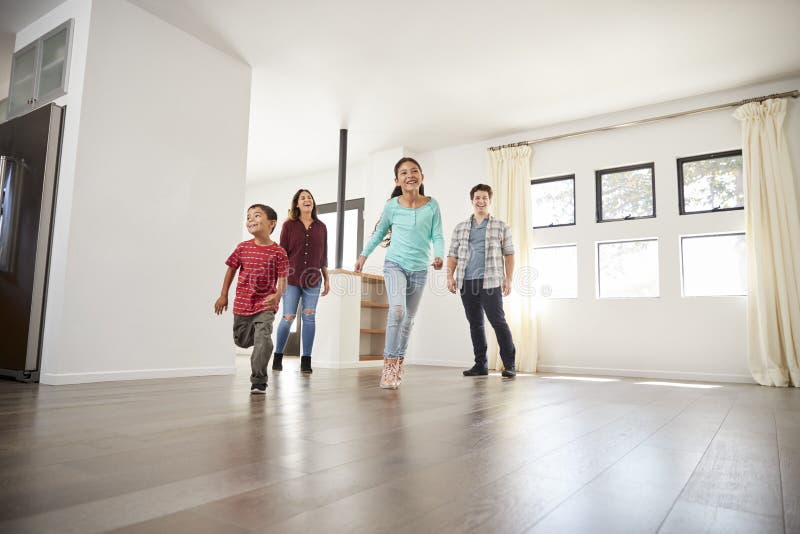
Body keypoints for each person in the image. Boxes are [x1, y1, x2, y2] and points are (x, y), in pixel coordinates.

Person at [355, 157, 445, 389]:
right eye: (404, 173)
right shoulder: (392, 206)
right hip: (395, 264)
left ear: (422, 177)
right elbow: (378, 233)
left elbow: (437, 235)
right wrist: (363, 256)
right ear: (397, 180)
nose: (409, 175)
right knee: (397, 311)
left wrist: (439, 254)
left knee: (408, 320)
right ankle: (388, 367)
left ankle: (398, 364)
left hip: (420, 269)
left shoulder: (432, 205)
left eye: (414, 171)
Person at [214, 204, 288, 394]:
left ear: (272, 223)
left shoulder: (278, 252)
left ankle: (259, 380)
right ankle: (258, 341)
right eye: (248, 217)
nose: (251, 220)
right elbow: (231, 269)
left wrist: (277, 295)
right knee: (242, 341)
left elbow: (282, 279)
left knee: (263, 339)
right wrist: (223, 295)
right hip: (242, 305)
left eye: (256, 216)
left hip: (265, 305)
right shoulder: (243, 248)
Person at [446, 184, 517, 378]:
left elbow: (509, 254)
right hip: (466, 282)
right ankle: (480, 365)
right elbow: (452, 255)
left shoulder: (501, 226)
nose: (481, 201)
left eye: (484, 198)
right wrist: (449, 276)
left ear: (489, 200)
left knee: (498, 322)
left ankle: (509, 364)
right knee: (475, 324)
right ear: (472, 200)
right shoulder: (460, 228)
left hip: (491, 281)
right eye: (477, 198)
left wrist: (508, 279)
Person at [272, 189, 330, 374]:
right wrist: (280, 280)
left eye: (309, 197)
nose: (307, 200)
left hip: (313, 279)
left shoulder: (321, 227)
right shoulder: (289, 226)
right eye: (303, 198)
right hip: (291, 278)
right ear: (297, 204)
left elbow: (323, 256)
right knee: (288, 317)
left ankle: (306, 360)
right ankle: (277, 356)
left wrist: (326, 278)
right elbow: (282, 254)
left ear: (313, 203)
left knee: (309, 317)